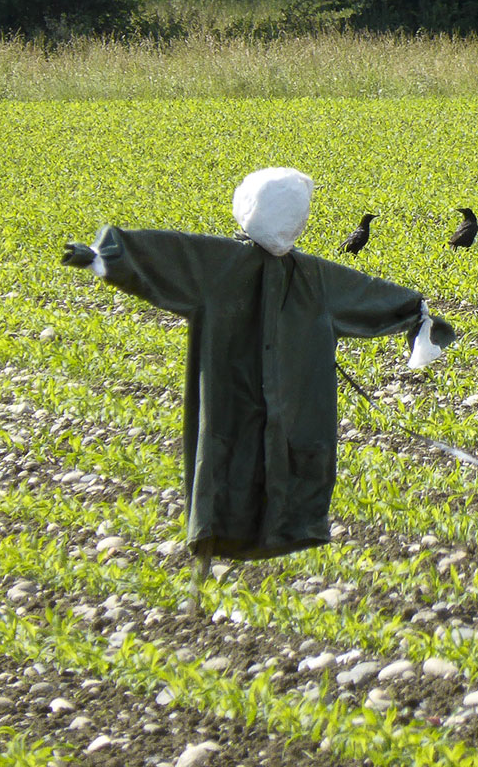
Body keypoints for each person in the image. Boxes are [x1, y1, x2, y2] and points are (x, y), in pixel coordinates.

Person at [61, 167, 455, 594]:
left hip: (234, 401)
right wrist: (418, 318)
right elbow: (372, 294)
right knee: (261, 464)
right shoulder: (312, 278)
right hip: (288, 406)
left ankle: (206, 577)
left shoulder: (223, 266)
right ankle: (221, 571)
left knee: (225, 464)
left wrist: (105, 255)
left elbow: (168, 254)